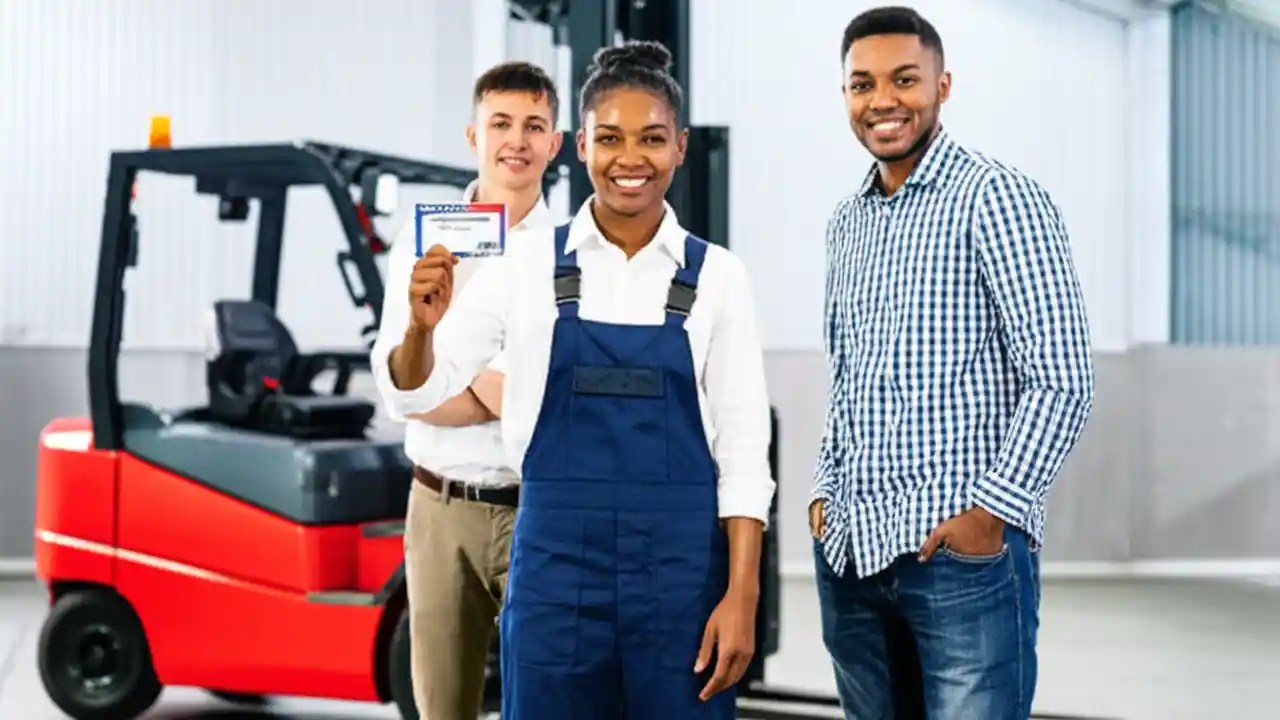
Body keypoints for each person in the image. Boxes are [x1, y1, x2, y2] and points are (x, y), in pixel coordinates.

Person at [379, 40, 776, 720]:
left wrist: (742, 595)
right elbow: (412, 391)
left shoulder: (718, 277)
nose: (631, 159)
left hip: (679, 576)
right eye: (611, 138)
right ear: (584, 146)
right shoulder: (524, 267)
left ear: (680, 147)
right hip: (555, 574)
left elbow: (744, 456)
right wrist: (420, 330)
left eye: (652, 138)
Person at [809, 7, 1095, 719]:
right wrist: (822, 496)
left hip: (960, 560)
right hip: (851, 554)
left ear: (942, 84)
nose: (883, 100)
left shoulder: (997, 198)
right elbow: (848, 378)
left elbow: (1062, 379)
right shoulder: (848, 222)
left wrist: (991, 513)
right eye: (862, 84)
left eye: (905, 79)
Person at [369, 60, 564, 720]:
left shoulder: (572, 251)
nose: (517, 140)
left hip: (538, 511)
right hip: (440, 507)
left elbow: (541, 404)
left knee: (548, 700)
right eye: (501, 123)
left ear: (556, 143)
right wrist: (484, 377)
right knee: (442, 706)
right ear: (472, 136)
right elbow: (407, 394)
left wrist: (452, 358)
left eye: (534, 125)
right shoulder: (425, 241)